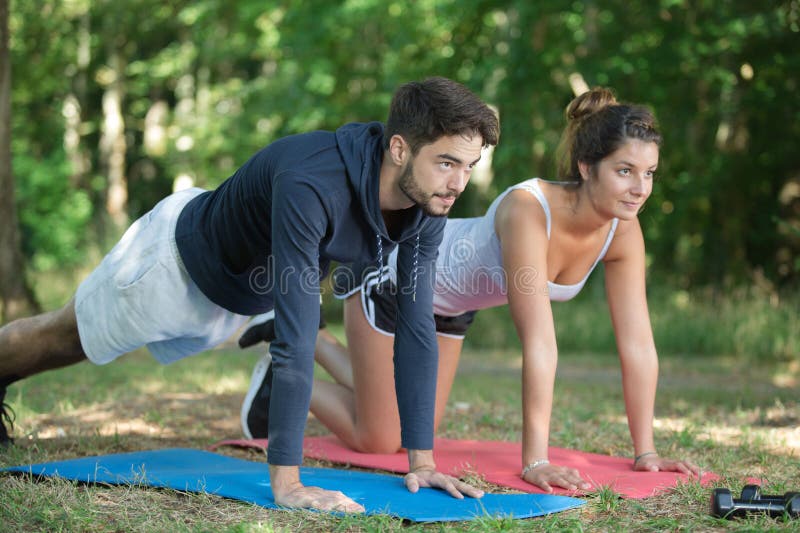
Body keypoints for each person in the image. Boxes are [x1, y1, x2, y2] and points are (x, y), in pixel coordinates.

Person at [0, 77, 500, 512]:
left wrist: (422, 462)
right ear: (399, 149)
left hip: (248, 295)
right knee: (64, 340)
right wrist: (288, 484)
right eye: (447, 163)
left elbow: (416, 328)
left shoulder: (426, 204)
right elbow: (296, 338)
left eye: (469, 166)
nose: (458, 183)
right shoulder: (313, 181)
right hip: (176, 269)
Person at [239, 87, 701, 494]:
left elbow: (637, 344)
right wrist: (535, 461)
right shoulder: (528, 210)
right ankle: (287, 367)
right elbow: (539, 341)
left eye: (649, 173)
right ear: (586, 166)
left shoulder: (623, 230)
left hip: (452, 311)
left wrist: (646, 452)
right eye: (625, 171)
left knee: (412, 421)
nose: (640, 188)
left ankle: (308, 340)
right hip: (394, 279)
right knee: (380, 439)